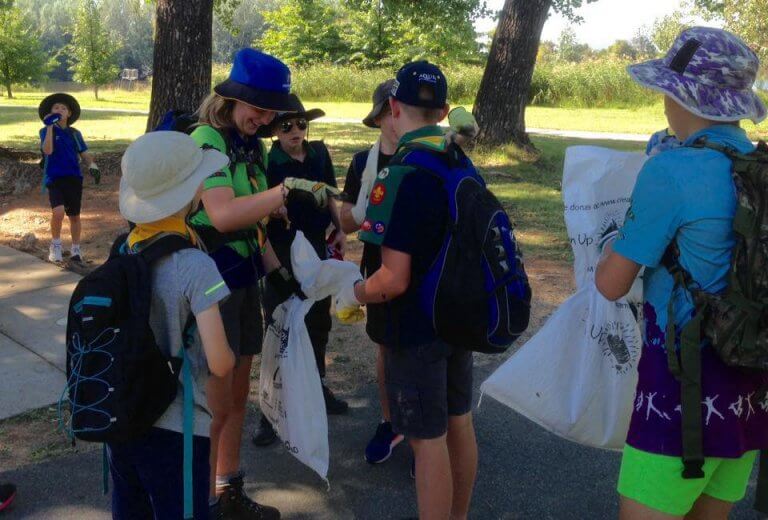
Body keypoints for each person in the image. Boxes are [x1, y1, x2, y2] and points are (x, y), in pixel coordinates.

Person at [595, 27, 768, 519]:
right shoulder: (756, 163)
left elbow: (612, 284)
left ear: (680, 94)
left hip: (680, 394)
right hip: (748, 391)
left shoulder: (669, 171)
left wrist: (604, 251)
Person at [188, 48, 337, 520]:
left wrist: (283, 275)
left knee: (235, 397)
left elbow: (250, 228)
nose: (267, 118)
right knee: (212, 406)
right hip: (213, 286)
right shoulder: (208, 141)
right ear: (232, 99)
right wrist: (284, 190)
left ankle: (227, 490)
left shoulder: (248, 145)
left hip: (245, 280)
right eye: (260, 108)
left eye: (272, 110)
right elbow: (223, 213)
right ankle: (200, 504)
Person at [336, 61, 478, 519]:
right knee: (460, 423)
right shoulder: (461, 161)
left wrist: (355, 293)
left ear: (392, 107)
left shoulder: (400, 174)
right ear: (441, 113)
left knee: (426, 440)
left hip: (415, 328)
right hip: (457, 316)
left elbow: (392, 278)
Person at [109, 131, 235, 519]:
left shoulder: (123, 247)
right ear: (192, 191)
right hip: (177, 428)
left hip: (123, 416)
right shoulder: (195, 265)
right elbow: (220, 362)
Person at [252, 94, 347, 447]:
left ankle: (317, 385)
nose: (295, 131)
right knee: (278, 325)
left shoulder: (319, 153)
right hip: (280, 249)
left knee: (318, 320)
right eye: (286, 126)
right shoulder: (268, 160)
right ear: (274, 130)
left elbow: (333, 197)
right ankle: (270, 410)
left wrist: (340, 229)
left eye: (301, 124)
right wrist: (273, 209)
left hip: (317, 247)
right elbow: (258, 204)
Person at [38, 93, 100, 264]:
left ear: (69, 113)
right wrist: (50, 127)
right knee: (58, 212)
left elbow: (84, 153)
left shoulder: (74, 133)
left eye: (63, 108)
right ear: (50, 113)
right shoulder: (45, 131)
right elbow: (48, 151)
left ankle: (75, 249)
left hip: (73, 177)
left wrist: (92, 165)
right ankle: (56, 245)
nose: (60, 110)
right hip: (54, 177)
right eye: (56, 108)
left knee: (74, 216)